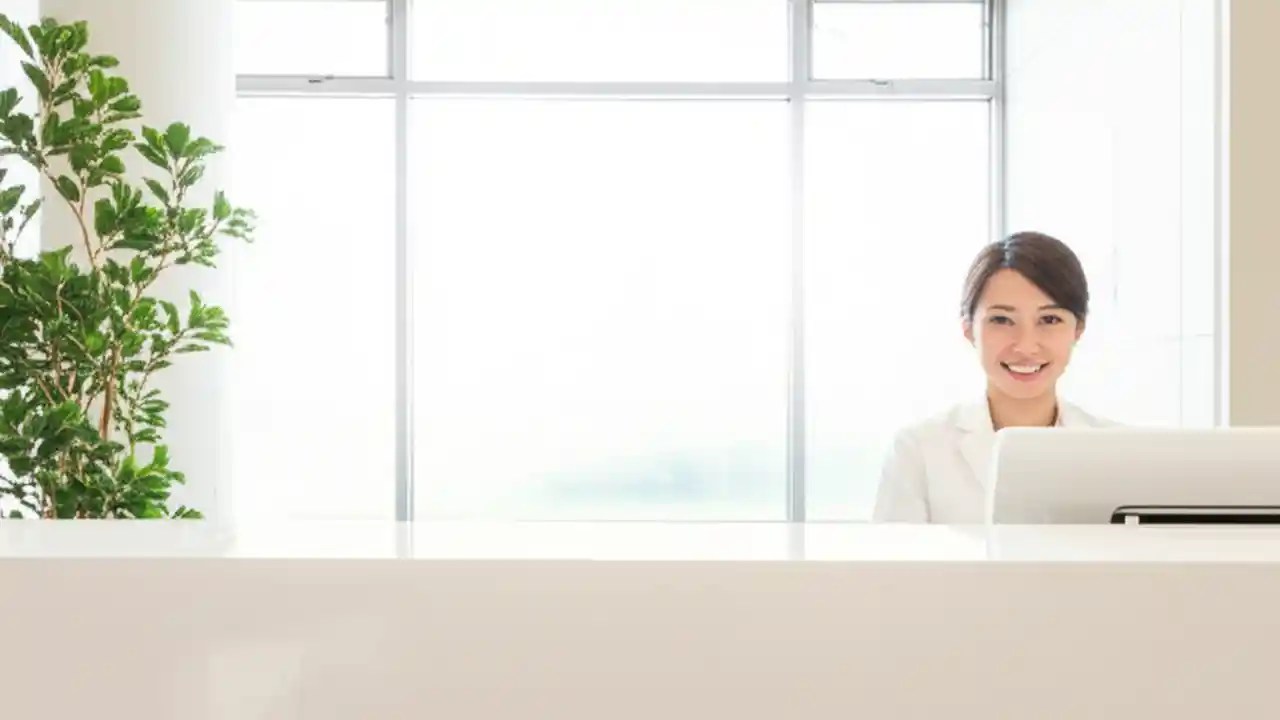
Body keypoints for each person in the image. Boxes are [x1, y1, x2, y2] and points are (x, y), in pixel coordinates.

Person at [872, 231, 1113, 523]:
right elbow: (894, 554)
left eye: (1049, 320)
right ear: (968, 329)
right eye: (1001, 319)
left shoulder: (1117, 452)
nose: (1026, 346)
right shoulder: (918, 451)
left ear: (1078, 330)